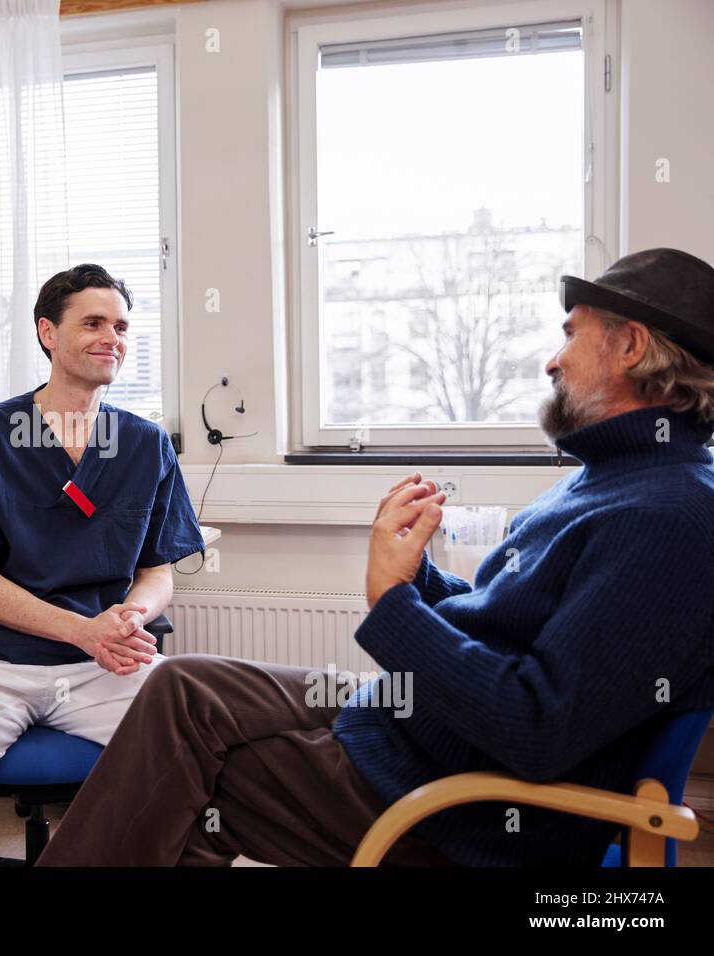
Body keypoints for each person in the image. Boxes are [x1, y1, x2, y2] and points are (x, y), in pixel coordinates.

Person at [36, 247, 714, 867]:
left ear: (629, 346)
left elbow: (534, 728)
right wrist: (415, 572)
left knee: (179, 783)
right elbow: (506, 627)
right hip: (413, 729)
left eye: (572, 334)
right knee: (184, 686)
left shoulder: (667, 520)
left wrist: (393, 604)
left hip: (458, 811)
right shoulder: (612, 482)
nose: (552, 360)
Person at [0, 263, 205, 866]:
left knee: (191, 731)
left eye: (120, 325)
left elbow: (157, 571)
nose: (111, 336)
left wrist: (127, 620)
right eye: (92, 321)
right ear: (47, 334)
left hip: (99, 663)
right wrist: (82, 629)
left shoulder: (145, 444)